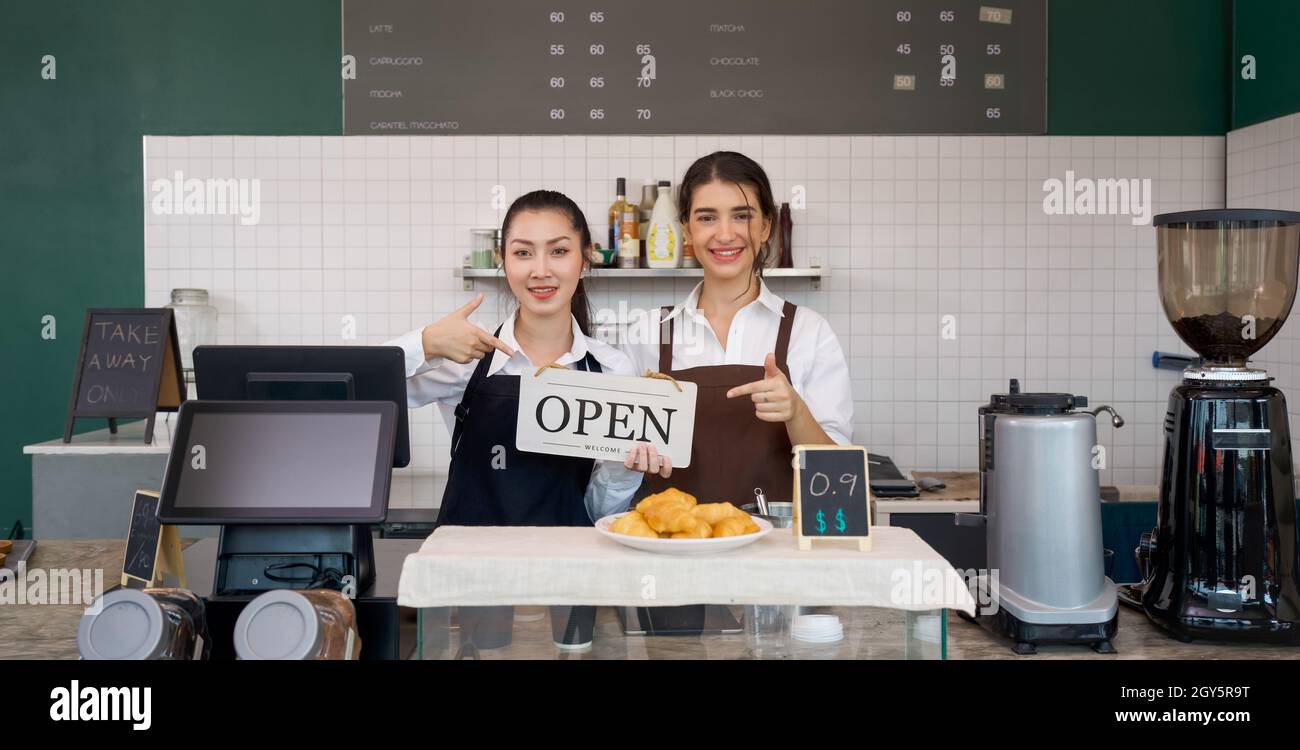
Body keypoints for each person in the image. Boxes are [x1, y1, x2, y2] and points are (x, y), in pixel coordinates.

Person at [626, 151, 854, 504]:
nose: (725, 234)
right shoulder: (646, 334)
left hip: (778, 550)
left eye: (742, 216)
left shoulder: (808, 332)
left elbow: (840, 478)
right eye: (707, 218)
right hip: (674, 546)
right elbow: (612, 467)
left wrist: (796, 412)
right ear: (686, 228)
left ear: (766, 226)